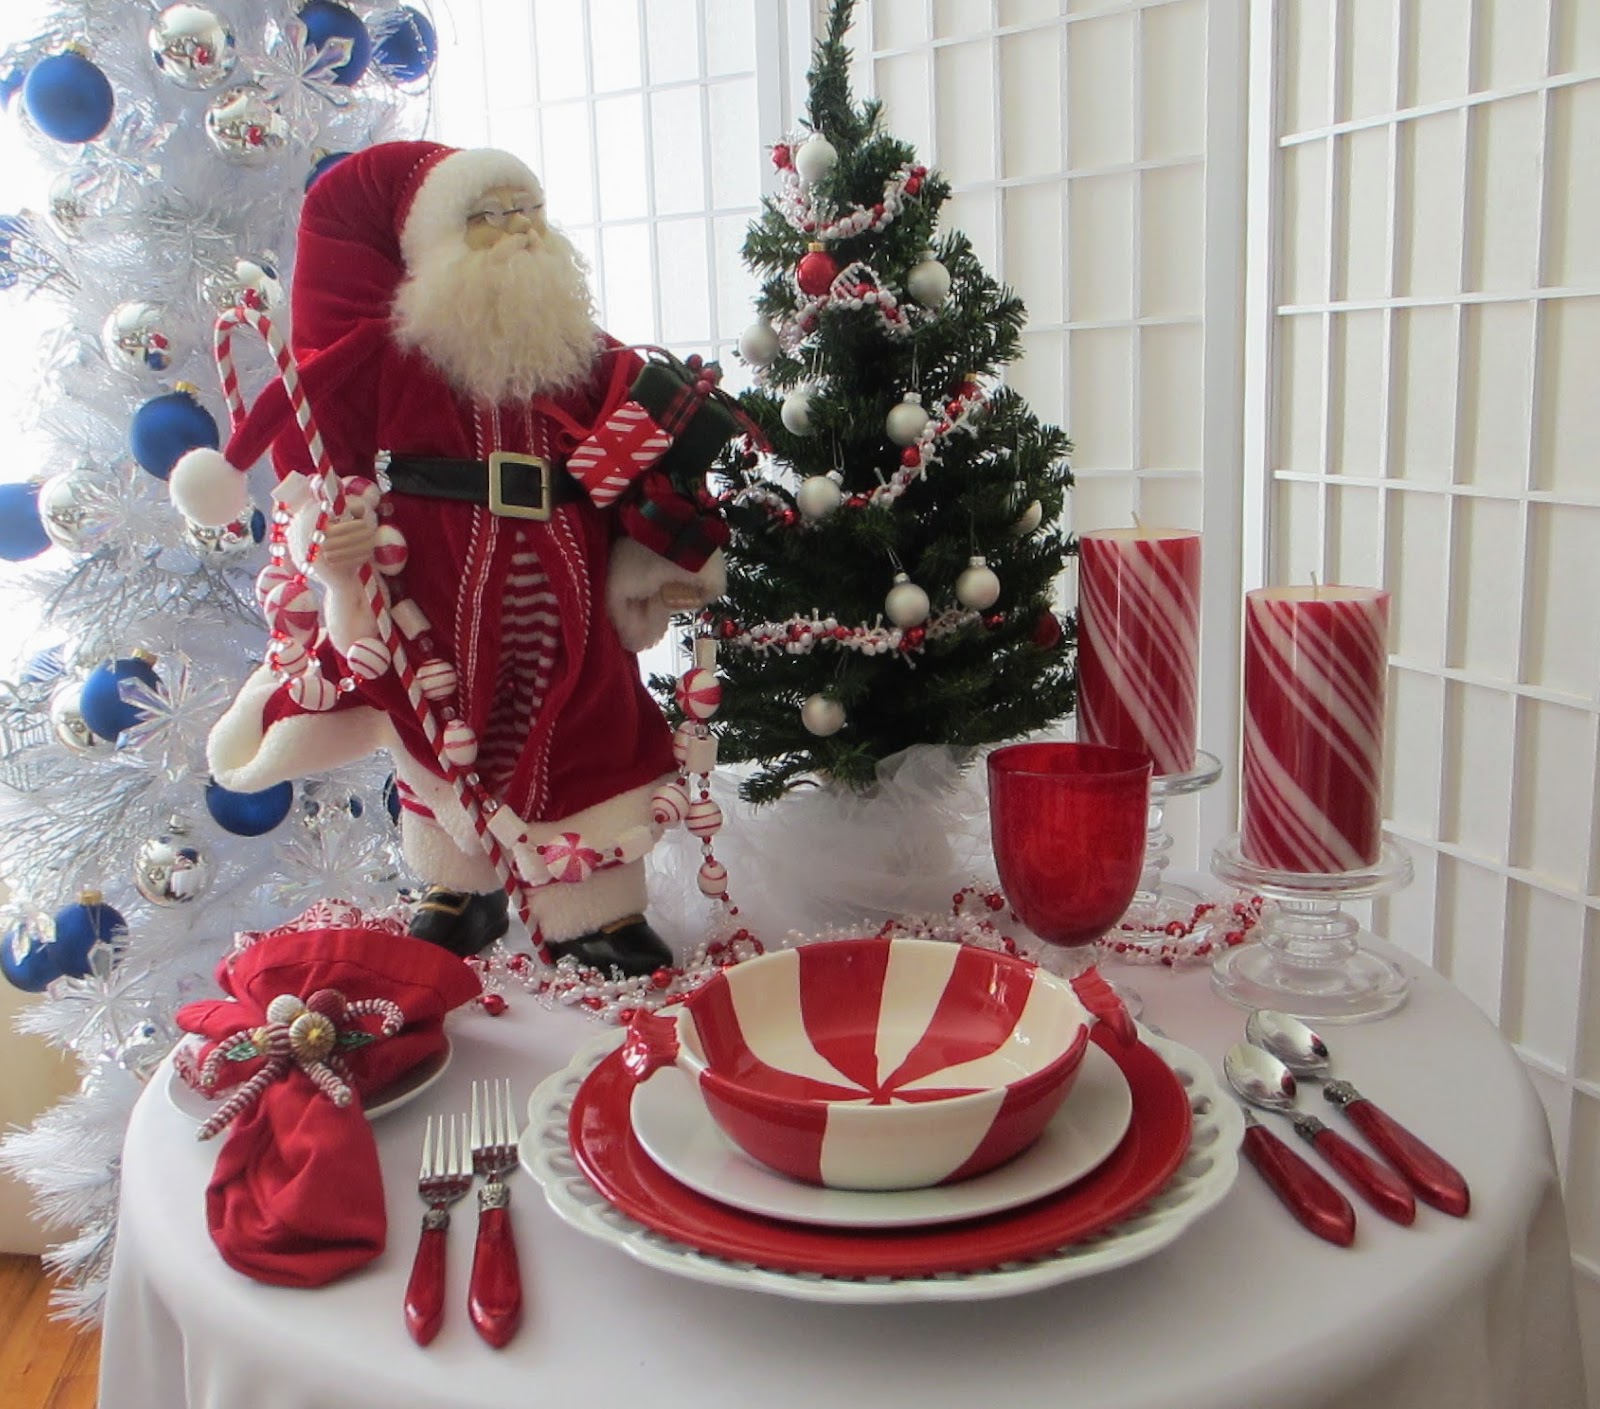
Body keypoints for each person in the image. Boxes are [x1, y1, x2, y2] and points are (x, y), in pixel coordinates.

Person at [172, 141, 727, 976]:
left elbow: (646, 458)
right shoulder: (387, 357)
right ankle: (462, 889)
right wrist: (326, 543)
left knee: (586, 729)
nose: (516, 235)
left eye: (526, 213)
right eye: (486, 218)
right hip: (433, 589)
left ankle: (594, 913)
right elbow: (313, 457)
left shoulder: (586, 355)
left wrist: (658, 558)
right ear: (432, 246)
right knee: (439, 728)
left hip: (565, 583)